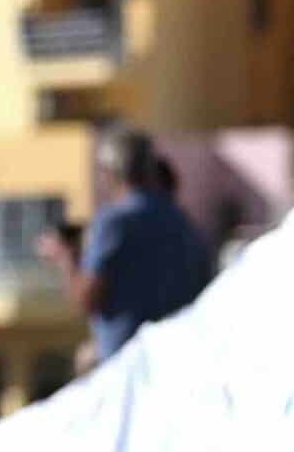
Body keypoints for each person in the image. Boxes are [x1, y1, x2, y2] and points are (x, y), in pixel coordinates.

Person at [37, 127, 209, 363]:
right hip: (176, 357)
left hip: (127, 363)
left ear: (109, 173)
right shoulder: (183, 222)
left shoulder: (113, 222)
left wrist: (65, 258)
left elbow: (87, 298)